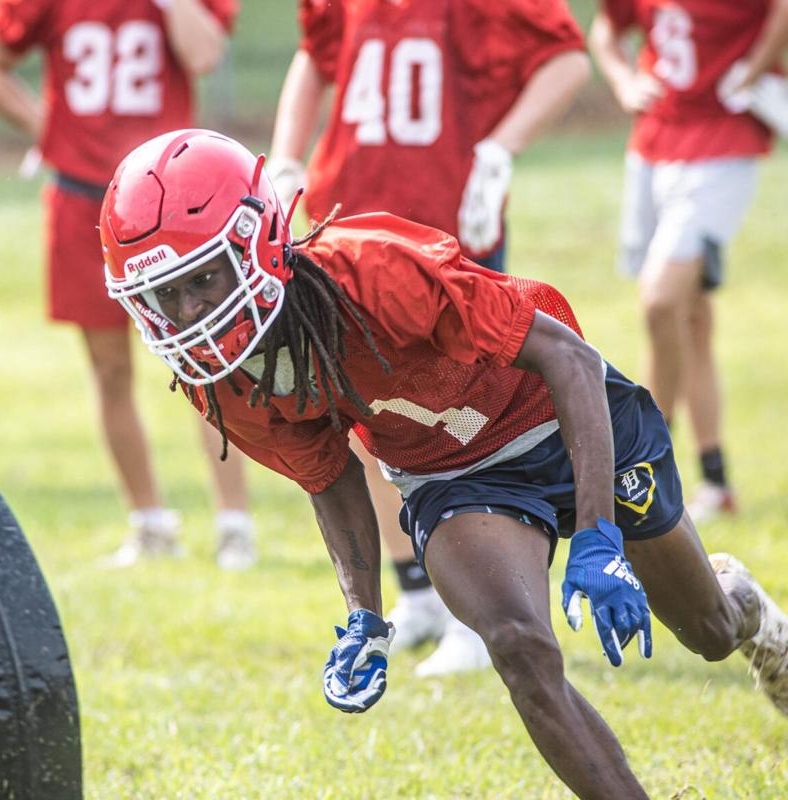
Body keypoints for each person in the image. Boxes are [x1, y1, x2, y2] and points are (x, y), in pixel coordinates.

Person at [99, 129, 788, 798]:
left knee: (709, 633)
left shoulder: (373, 269)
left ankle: (748, 609)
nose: (190, 314)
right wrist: (364, 615)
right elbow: (329, 475)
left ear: (258, 241)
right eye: (166, 295)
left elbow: (568, 358)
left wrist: (599, 534)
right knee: (519, 647)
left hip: (557, 413)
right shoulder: (217, 378)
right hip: (454, 476)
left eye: (205, 279)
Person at [265, 0, 592, 675]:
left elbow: (566, 60)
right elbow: (316, 55)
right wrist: (289, 156)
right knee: (363, 415)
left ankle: (483, 609)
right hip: (343, 229)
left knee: (464, 423)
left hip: (441, 238)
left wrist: (503, 146)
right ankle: (415, 590)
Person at [0, 0, 259, 568]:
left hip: (173, 204)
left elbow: (206, 53)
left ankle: (234, 523)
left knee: (210, 359)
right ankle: (149, 523)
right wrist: (51, 132)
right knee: (108, 367)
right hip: (82, 196)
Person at [588, 0, 788, 524]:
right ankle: (715, 479)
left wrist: (757, 64)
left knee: (659, 302)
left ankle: (645, 467)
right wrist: (623, 81)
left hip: (723, 139)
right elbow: (608, 30)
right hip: (656, 143)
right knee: (688, 317)